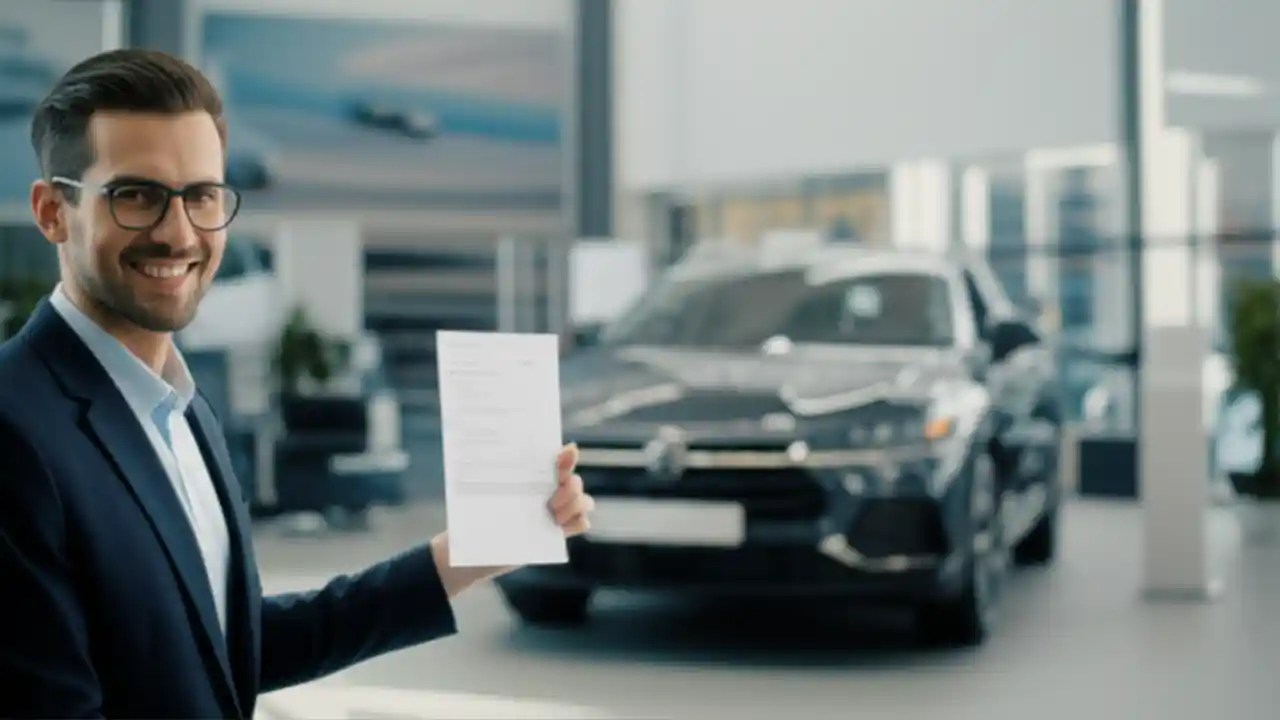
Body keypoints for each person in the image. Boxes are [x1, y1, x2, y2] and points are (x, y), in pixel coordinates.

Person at [0, 48, 595, 718]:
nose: (179, 233)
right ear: (53, 212)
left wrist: (468, 554)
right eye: (136, 196)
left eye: (201, 195)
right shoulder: (13, 431)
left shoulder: (180, 409)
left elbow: (230, 647)